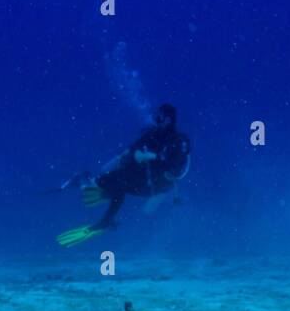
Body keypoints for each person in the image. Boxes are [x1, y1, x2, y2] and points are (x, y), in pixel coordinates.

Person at [56, 103, 190, 247]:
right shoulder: (151, 135)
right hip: (142, 181)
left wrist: (153, 157)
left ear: (168, 119)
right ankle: (106, 212)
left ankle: (103, 200)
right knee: (116, 179)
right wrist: (137, 153)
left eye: (159, 116)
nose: (155, 119)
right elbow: (134, 148)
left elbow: (175, 166)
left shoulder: (178, 140)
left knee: (117, 181)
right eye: (155, 116)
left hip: (157, 185)